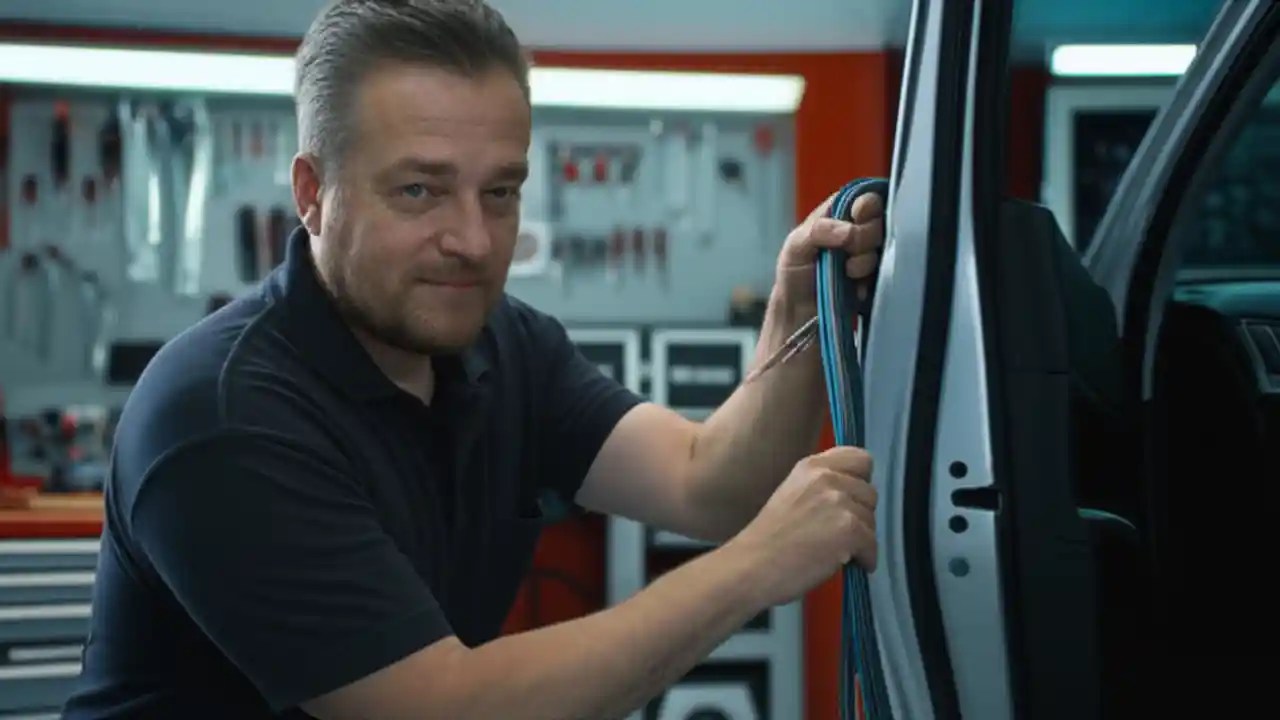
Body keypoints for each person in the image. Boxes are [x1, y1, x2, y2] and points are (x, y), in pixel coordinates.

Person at [62, 1, 886, 718]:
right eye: (419, 190)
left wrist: (799, 312)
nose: (475, 241)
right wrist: (755, 570)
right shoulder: (221, 410)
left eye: (500, 191)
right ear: (312, 193)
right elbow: (440, 708)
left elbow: (709, 482)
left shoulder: (505, 344)